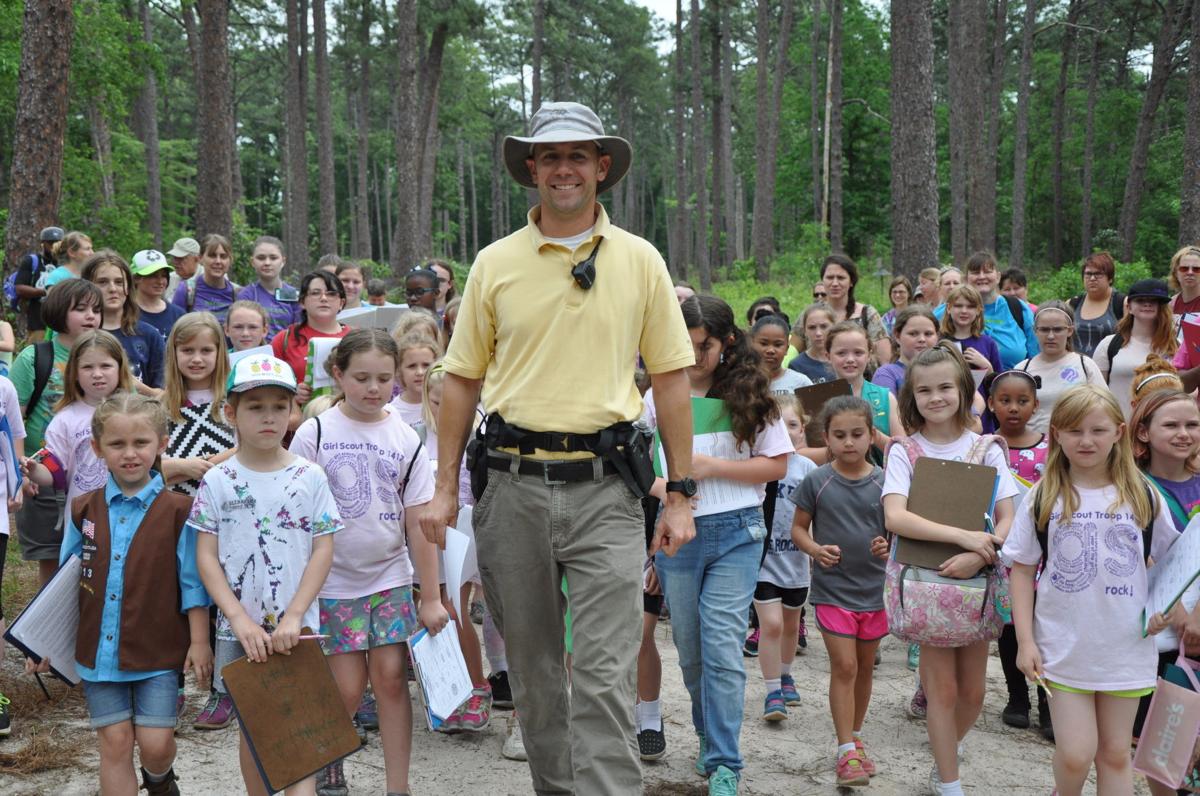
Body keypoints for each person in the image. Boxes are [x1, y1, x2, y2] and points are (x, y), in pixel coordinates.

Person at [419, 101, 696, 796]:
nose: (564, 169)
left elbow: (669, 379)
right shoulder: (494, 263)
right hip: (511, 487)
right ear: (531, 170)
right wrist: (446, 486)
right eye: (550, 157)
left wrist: (682, 493)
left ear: (602, 168)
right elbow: (460, 381)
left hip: (609, 489)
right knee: (536, 678)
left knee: (604, 674)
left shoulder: (639, 260)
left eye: (578, 156)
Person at [289, 330, 449, 794]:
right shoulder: (313, 432)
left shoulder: (405, 438)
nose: (373, 388)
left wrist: (432, 597)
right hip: (331, 583)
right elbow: (295, 514)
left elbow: (418, 522)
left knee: (392, 682)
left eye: (384, 378)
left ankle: (398, 787)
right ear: (337, 374)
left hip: (389, 578)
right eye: (361, 378)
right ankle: (327, 763)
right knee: (345, 689)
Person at [644, 294, 790, 791]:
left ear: (727, 343)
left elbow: (776, 466)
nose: (691, 356)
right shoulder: (656, 396)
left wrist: (711, 468)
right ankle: (709, 742)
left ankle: (726, 761)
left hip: (738, 533)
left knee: (723, 647)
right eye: (681, 346)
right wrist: (674, 489)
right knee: (690, 649)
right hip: (677, 538)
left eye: (702, 346)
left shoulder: (750, 392)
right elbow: (642, 471)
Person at [1004, 385, 1177, 796]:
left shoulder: (1144, 494)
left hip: (1127, 647)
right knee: (1076, 753)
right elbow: (1022, 571)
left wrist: (1167, 610)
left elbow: (1174, 565)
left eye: (1097, 430)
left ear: (1119, 432)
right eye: (1074, 430)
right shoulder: (1044, 495)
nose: (1086, 441)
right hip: (1063, 646)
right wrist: (1024, 641)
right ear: (1057, 435)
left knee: (1116, 754)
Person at [38, 392, 211, 796]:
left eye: (141, 443)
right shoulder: (83, 509)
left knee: (156, 745)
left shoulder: (180, 511)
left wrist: (199, 642)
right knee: (114, 743)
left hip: (156, 651)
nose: (130, 454)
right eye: (117, 444)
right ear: (98, 449)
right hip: (99, 654)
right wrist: (42, 644)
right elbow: (65, 585)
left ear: (162, 445)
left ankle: (159, 778)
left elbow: (193, 583)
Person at [192, 353, 342, 796]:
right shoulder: (217, 480)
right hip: (240, 631)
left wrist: (296, 614)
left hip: (299, 627)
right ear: (231, 413)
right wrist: (237, 618)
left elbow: (323, 547)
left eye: (280, 405)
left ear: (293, 411)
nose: (269, 417)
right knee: (254, 726)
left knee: (299, 728)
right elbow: (206, 556)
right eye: (255, 406)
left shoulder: (309, 476)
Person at [882, 343, 1019, 796]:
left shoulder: (986, 448)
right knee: (940, 691)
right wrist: (964, 539)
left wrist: (980, 554)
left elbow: (1009, 516)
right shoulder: (905, 451)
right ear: (911, 397)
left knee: (974, 694)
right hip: (926, 585)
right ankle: (948, 782)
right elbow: (895, 517)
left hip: (976, 586)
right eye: (924, 390)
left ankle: (944, 755)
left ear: (963, 389)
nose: (935, 397)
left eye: (945, 387)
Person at [791, 396, 889, 786]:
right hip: (832, 590)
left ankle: (857, 737)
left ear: (871, 436)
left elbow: (897, 528)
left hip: (876, 591)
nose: (849, 442)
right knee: (845, 666)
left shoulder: (886, 481)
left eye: (857, 434)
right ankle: (845, 750)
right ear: (826, 438)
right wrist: (814, 549)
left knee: (865, 667)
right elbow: (798, 528)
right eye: (840, 435)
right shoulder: (817, 479)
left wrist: (888, 543)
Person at [1131, 389, 1200, 796]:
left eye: (1192, 425)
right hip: (1153, 632)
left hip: (1196, 628)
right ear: (1143, 432)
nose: (1184, 434)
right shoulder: (1133, 488)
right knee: (1163, 735)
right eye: (1171, 425)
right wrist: (1176, 607)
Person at [12, 280, 103, 586]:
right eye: (81, 309)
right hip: (44, 476)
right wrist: (20, 470)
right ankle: (48, 625)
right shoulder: (34, 358)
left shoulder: (107, 358)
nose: (91, 316)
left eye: (96, 309)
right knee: (52, 558)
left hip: (94, 476)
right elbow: (13, 420)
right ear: (57, 311)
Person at [984, 369, 1053, 738]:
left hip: (1043, 555)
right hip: (1002, 555)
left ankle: (1047, 701)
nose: (1013, 408)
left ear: (1036, 405)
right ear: (991, 404)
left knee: (1042, 626)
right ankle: (1017, 697)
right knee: (1009, 628)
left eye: (1022, 401)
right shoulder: (985, 447)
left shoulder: (1049, 446)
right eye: (1005, 401)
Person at [753, 394, 817, 724]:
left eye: (791, 424)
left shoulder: (809, 470)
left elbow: (818, 514)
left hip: (797, 562)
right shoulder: (758, 464)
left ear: (802, 429)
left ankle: (787, 674)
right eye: (775, 424)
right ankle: (771, 689)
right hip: (763, 560)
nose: (785, 431)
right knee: (772, 625)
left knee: (791, 625)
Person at [24, 330, 134, 510]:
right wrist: (34, 470)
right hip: (83, 519)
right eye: (87, 367)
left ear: (120, 368)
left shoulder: (137, 412)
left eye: (105, 366)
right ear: (74, 373)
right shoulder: (65, 419)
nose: (97, 374)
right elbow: (54, 473)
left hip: (132, 515)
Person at [796, 321, 902, 466]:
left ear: (869, 355)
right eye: (841, 353)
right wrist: (838, 448)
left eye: (858, 352)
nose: (850, 359)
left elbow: (903, 450)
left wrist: (873, 435)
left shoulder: (885, 398)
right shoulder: (813, 397)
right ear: (828, 356)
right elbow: (799, 453)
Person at [933, 252, 1038, 371]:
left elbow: (1036, 353)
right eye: (976, 272)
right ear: (966, 279)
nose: (982, 276)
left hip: (1015, 385)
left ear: (998, 277)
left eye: (988, 272)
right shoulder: (944, 312)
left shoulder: (1017, 308)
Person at [1013, 303, 1107, 434]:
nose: (1051, 336)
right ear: (1035, 331)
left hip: (1075, 445)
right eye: (1044, 330)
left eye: (1057, 330)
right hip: (1033, 448)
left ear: (1070, 331)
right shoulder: (1022, 369)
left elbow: (1105, 407)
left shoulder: (1085, 365)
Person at [82, 251, 166, 395]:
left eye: (119, 282)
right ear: (87, 287)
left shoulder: (149, 335)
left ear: (128, 287)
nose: (113, 289)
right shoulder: (80, 334)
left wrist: (136, 386)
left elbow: (167, 396)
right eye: (102, 282)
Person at [1093, 278, 1178, 420]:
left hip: (1163, 431)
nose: (1147, 304)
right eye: (1140, 300)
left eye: (1154, 301)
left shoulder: (1177, 346)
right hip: (1119, 429)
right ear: (1129, 307)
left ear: (1162, 307)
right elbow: (1096, 393)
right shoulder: (1109, 344)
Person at [271, 270, 351, 402]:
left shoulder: (354, 337)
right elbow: (269, 384)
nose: (324, 298)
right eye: (315, 293)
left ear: (341, 303)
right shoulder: (284, 339)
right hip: (299, 419)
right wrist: (291, 393)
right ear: (302, 302)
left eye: (331, 294)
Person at [821, 255, 891, 364]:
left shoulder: (867, 314)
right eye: (830, 278)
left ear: (851, 282)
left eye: (841, 278)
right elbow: (792, 351)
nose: (834, 283)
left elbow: (885, 361)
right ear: (823, 280)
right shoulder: (812, 316)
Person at [237, 236, 301, 340]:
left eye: (273, 258)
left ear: (283, 261)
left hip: (286, 352)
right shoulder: (247, 295)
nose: (267, 263)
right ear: (252, 262)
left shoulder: (293, 294)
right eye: (261, 258)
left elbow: (299, 330)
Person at [1068, 252, 1125, 357]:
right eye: (1088, 274)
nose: (1092, 278)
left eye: (1098, 274)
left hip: (1110, 368)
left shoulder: (1122, 303)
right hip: (1076, 369)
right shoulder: (1072, 304)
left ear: (1110, 278)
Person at [873, 305, 939, 396]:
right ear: (897, 336)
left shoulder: (946, 371)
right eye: (913, 334)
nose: (922, 339)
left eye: (928, 334)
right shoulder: (886, 374)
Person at [13, 226, 64, 342]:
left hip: (61, 321)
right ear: (42, 243)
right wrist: (47, 291)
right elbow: (19, 288)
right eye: (50, 243)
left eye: (58, 243)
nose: (54, 246)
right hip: (37, 320)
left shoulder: (65, 263)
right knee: (38, 353)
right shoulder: (32, 261)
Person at [171, 234, 238, 322]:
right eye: (212, 255)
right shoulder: (186, 290)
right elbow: (174, 329)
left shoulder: (238, 293)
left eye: (223, 256)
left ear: (230, 260)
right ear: (200, 258)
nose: (218, 261)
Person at [939, 285, 1003, 376]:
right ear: (949, 308)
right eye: (958, 306)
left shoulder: (988, 343)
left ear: (978, 310)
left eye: (970, 307)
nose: (964, 311)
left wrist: (988, 367)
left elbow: (1000, 384)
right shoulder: (939, 342)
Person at [131, 250, 186, 343]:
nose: (160, 281)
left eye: (164, 276)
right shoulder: (124, 313)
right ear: (136, 278)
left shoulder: (179, 315)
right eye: (153, 276)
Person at [389, 333, 441, 427]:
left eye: (426, 365)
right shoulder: (392, 412)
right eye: (412, 366)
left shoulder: (443, 404)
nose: (420, 372)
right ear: (399, 370)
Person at [751, 314, 812, 394]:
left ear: (787, 349)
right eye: (764, 344)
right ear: (751, 345)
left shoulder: (801, 383)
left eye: (777, 345)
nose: (770, 350)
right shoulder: (742, 382)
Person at [788, 304, 837, 384]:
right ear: (805, 331)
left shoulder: (844, 358)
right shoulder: (797, 365)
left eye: (824, 326)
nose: (818, 333)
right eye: (812, 327)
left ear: (834, 327)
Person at [1168, 245, 1200, 331]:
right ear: (1175, 273)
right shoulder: (1169, 306)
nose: (1190, 272)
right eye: (1184, 268)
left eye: (1196, 269)